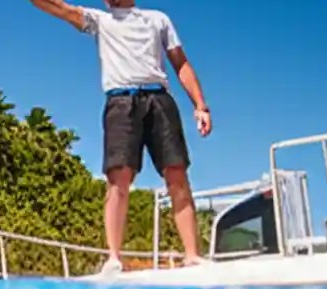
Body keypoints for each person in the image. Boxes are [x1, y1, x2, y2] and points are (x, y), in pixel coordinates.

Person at [28, 0, 213, 275]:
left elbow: (180, 62)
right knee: (118, 177)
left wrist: (200, 105)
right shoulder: (100, 20)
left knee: (176, 173)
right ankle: (114, 258)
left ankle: (192, 255)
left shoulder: (157, 19)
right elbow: (60, 8)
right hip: (120, 102)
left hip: (159, 99)